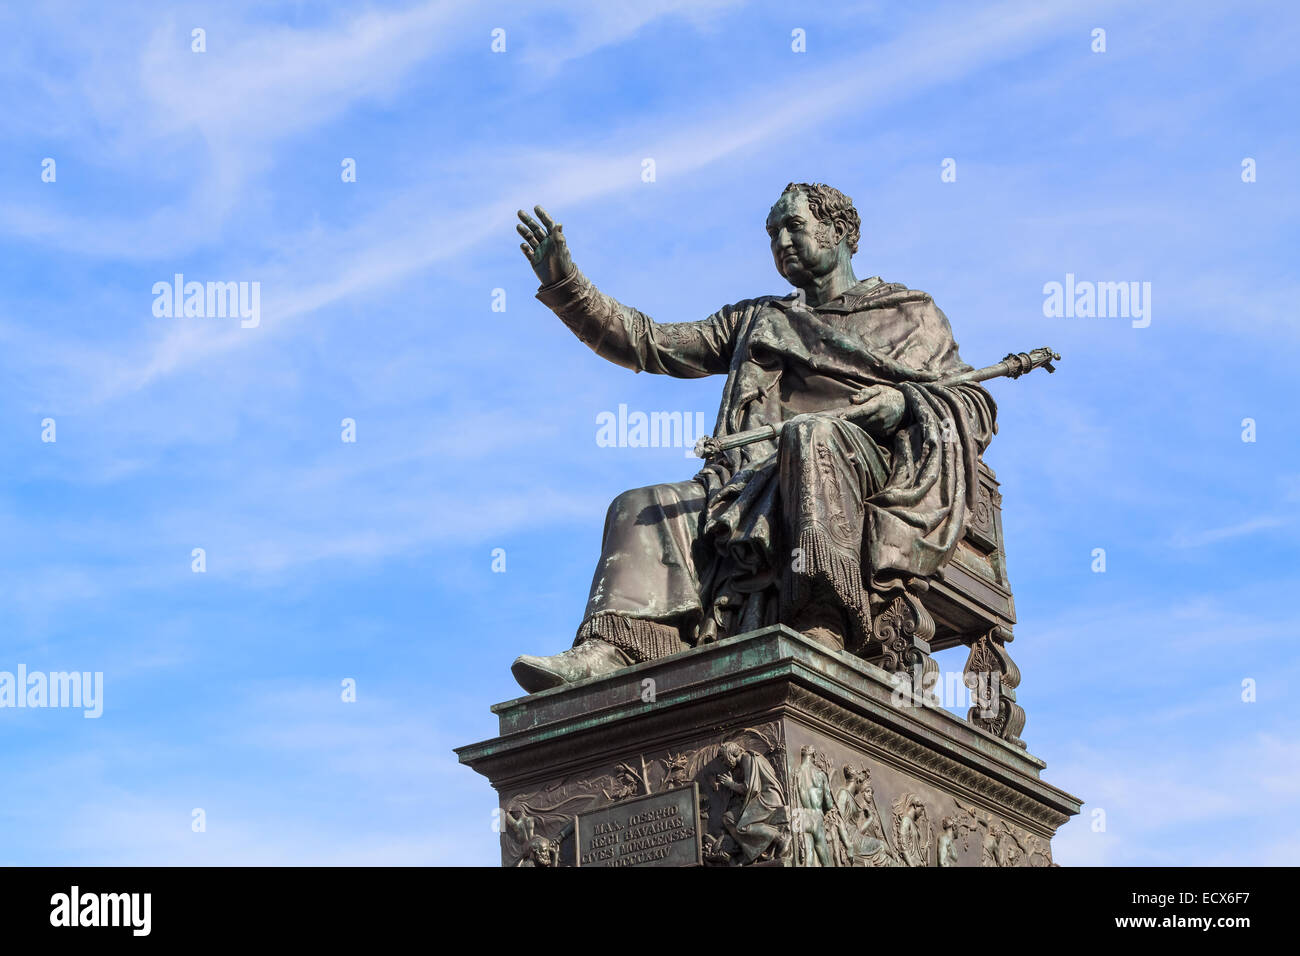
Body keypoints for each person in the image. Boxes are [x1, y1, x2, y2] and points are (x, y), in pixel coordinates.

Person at [511, 183, 995, 692]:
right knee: (641, 504)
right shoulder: (757, 319)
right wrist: (567, 284)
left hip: (862, 471)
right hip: (751, 480)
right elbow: (649, 342)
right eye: (772, 233)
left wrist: (902, 404)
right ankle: (615, 647)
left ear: (840, 233)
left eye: (794, 226)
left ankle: (822, 618)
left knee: (812, 438)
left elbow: (972, 405)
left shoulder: (909, 314)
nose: (781, 240)